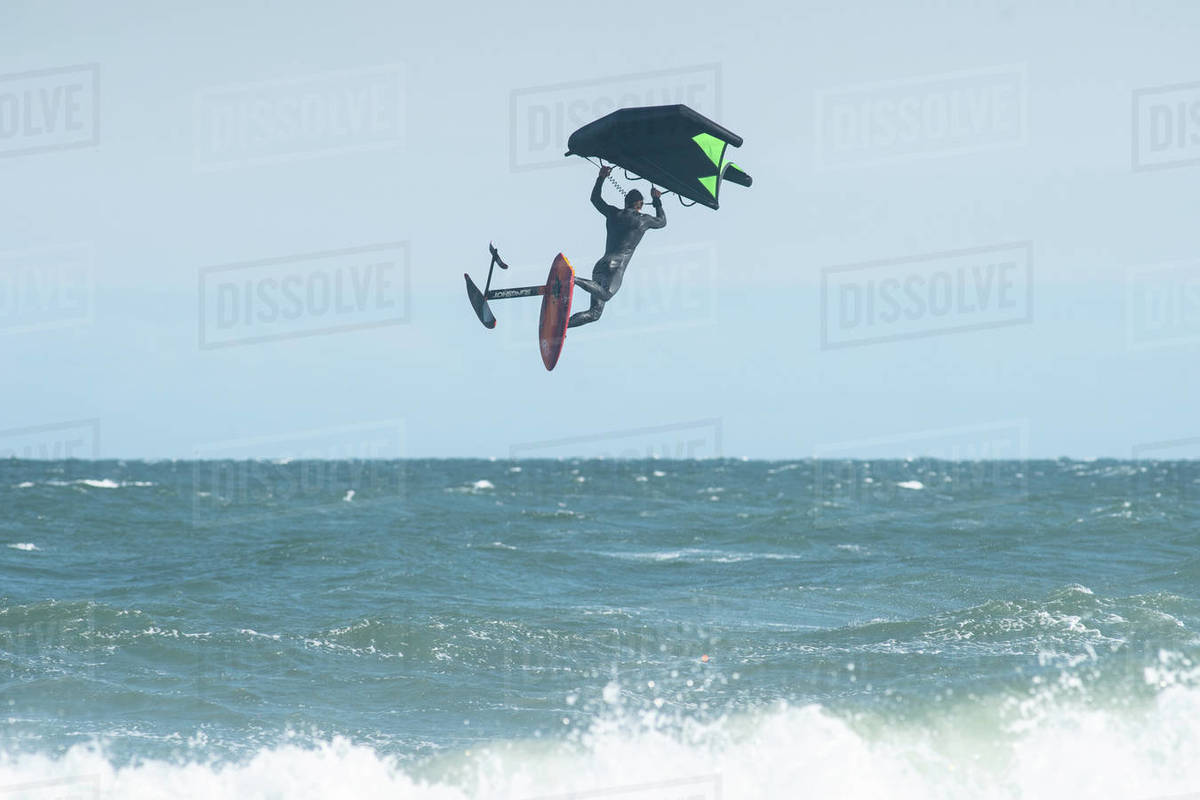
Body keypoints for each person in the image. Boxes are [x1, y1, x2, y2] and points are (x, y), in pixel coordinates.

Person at [568, 165, 666, 328]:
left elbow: (595, 199)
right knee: (606, 294)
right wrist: (657, 200)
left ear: (626, 202)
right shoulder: (643, 220)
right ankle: (573, 279)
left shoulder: (613, 213)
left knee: (595, 314)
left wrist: (601, 178)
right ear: (640, 204)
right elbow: (662, 221)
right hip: (616, 267)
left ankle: (564, 326)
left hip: (601, 265)